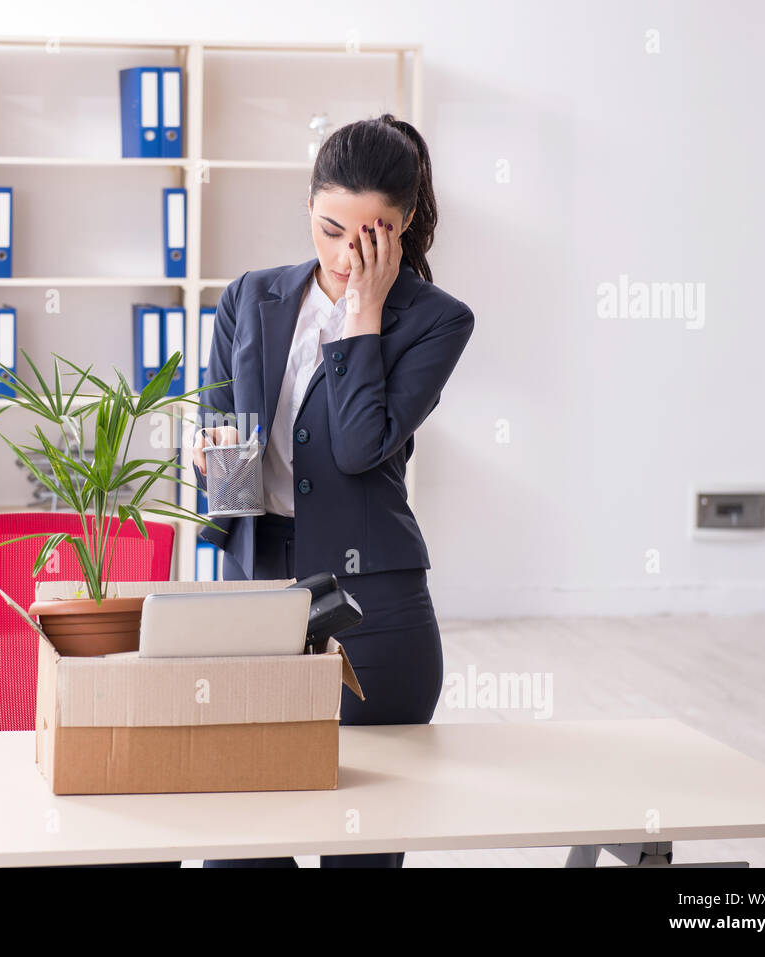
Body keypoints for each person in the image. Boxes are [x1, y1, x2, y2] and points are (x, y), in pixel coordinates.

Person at [191, 113, 475, 868]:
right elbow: (226, 458)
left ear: (407, 222)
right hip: (256, 592)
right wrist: (211, 461)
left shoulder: (435, 321)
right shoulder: (248, 299)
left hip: (372, 610)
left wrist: (364, 314)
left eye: (372, 235)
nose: (347, 254)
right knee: (240, 846)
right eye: (329, 229)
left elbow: (357, 449)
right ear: (308, 206)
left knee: (361, 850)